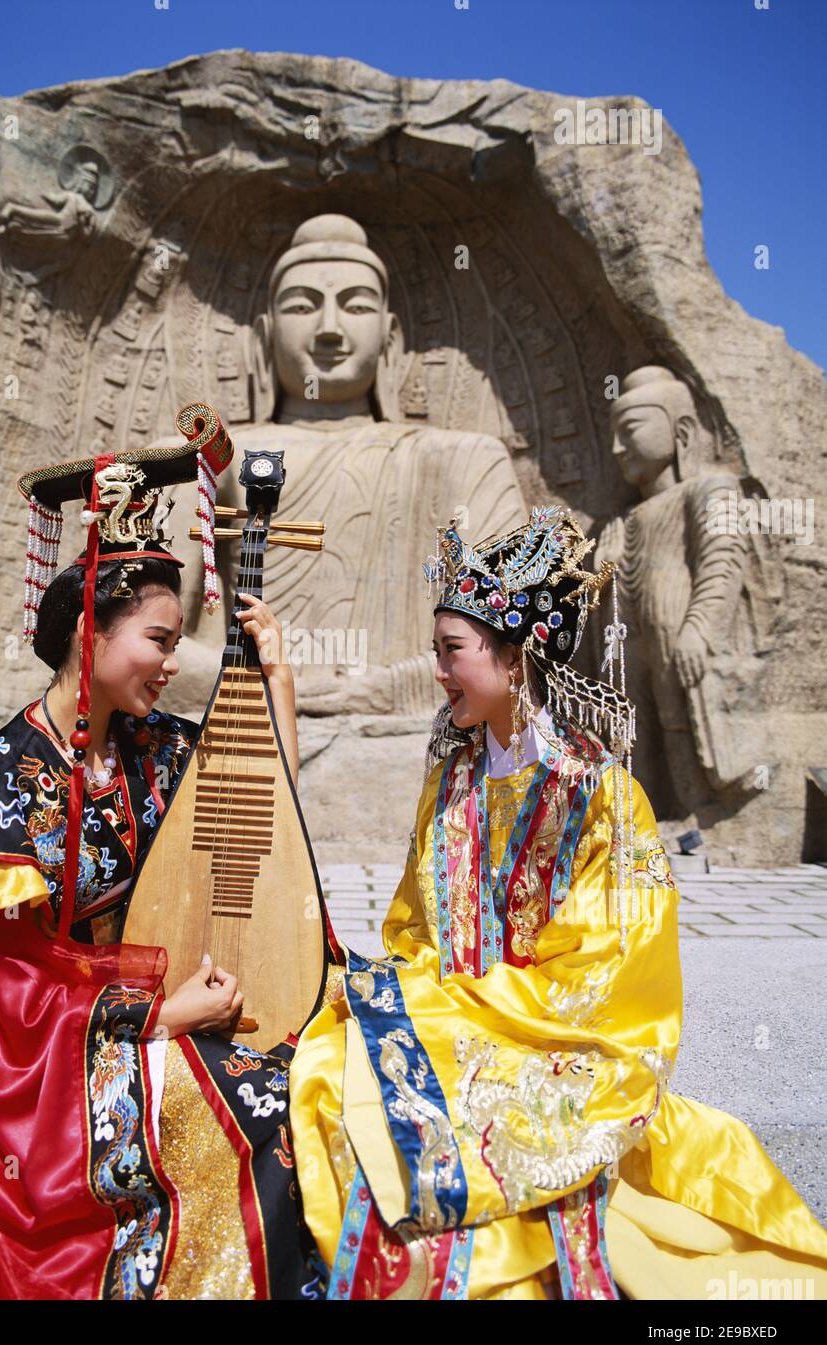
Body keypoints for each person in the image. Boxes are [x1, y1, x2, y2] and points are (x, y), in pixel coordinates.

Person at [0, 413, 321, 1300]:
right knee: (259, 1114)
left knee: (315, 1070)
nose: (171, 661)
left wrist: (274, 675)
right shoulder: (3, 789)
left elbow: (262, 809)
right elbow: (5, 1003)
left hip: (159, 1001)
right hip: (49, 1071)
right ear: (91, 632)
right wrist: (155, 1020)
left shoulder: (147, 745)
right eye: (158, 638)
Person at [289, 504, 827, 1300]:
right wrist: (416, 983)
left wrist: (466, 1002)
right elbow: (413, 918)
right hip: (456, 1012)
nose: (436, 672)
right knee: (333, 1056)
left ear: (513, 658)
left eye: (451, 652)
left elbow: (612, 970)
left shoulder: (596, 793)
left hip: (553, 1038)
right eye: (435, 652)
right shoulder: (454, 774)